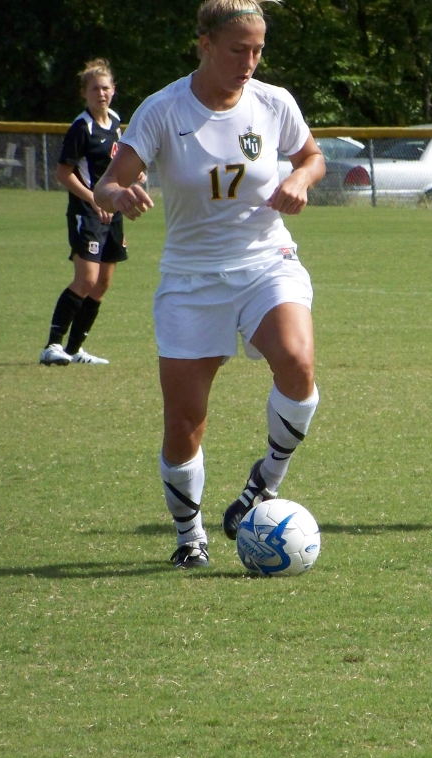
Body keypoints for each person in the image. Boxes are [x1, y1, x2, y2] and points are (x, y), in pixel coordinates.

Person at [94, 0, 326, 568]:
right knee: (185, 423)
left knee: (297, 363)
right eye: (237, 49)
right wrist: (119, 197)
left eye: (258, 50)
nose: (249, 61)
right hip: (191, 280)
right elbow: (105, 186)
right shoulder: (162, 109)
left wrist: (300, 176)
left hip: (267, 260)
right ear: (204, 44)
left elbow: (313, 156)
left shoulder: (275, 103)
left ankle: (266, 480)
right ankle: (188, 533)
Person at [40, 59, 131, 366]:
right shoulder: (82, 127)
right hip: (87, 211)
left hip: (113, 211)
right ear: (85, 93)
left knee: (103, 282)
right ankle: (52, 345)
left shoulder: (116, 121)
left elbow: (116, 166)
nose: (101, 93)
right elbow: (63, 174)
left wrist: (134, 179)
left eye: (106, 87)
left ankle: (75, 349)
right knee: (87, 279)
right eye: (95, 88)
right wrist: (94, 200)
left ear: (113, 90)